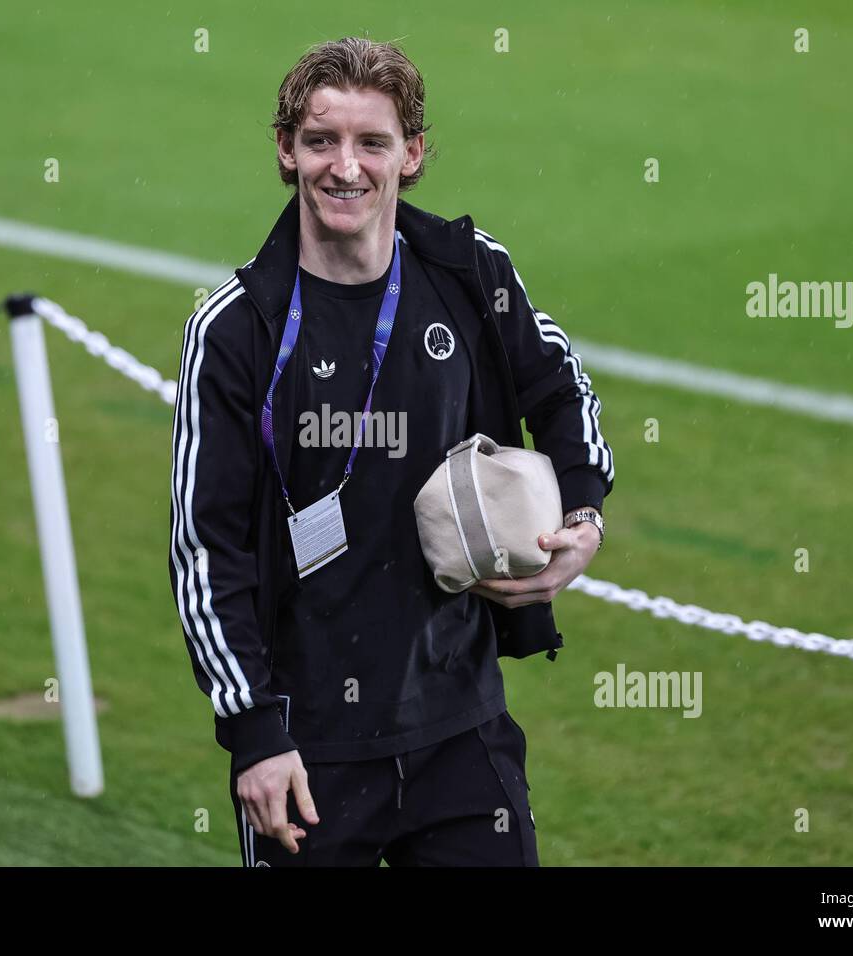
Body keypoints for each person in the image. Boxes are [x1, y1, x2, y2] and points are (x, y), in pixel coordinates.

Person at [168, 36, 613, 867]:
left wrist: (582, 521)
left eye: (372, 142)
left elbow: (564, 393)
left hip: (459, 726)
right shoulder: (235, 329)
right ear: (285, 149)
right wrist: (256, 734)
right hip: (308, 749)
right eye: (320, 140)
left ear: (411, 154)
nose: (346, 168)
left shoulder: (469, 275)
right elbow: (205, 553)